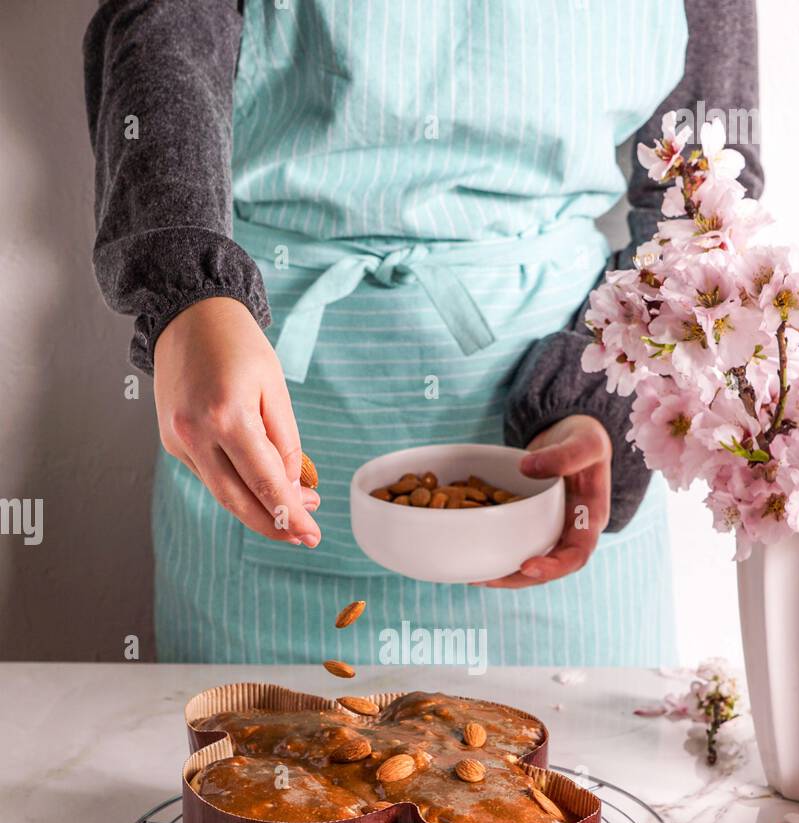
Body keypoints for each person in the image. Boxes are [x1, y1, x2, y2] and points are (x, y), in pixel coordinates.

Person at [84, 0, 762, 666]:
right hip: (246, 466)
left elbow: (707, 199)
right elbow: (162, 27)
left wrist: (602, 400)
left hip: (568, 498)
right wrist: (188, 296)